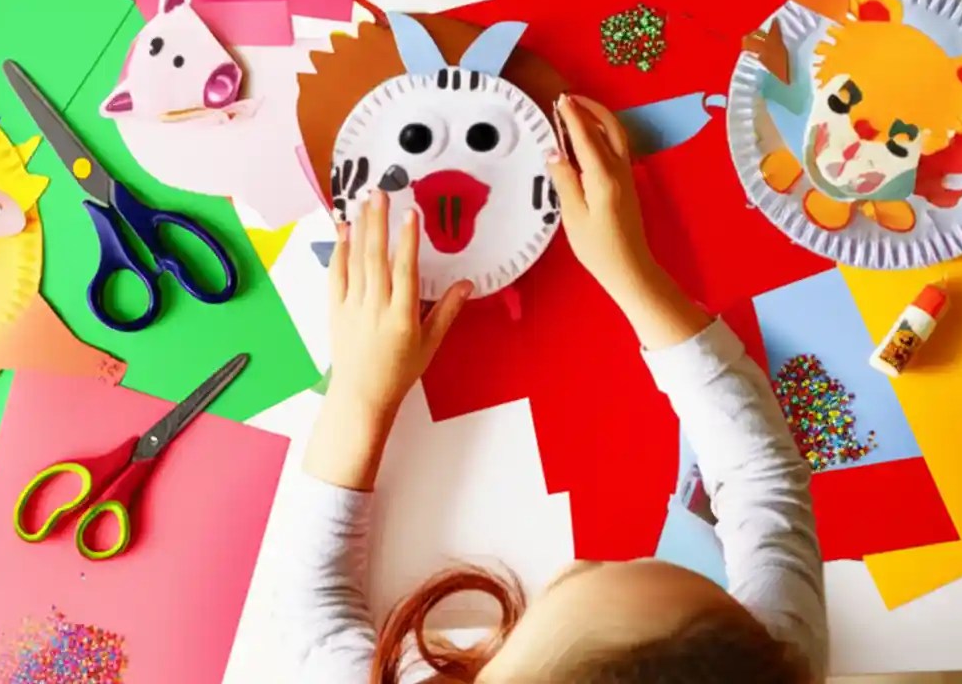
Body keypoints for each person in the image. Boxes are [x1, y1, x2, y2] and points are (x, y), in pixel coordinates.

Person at [275, 94, 825, 683]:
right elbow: (763, 482)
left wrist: (360, 395)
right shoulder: (766, 662)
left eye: (565, 589)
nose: (581, 561)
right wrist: (632, 273)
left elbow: (316, 620)